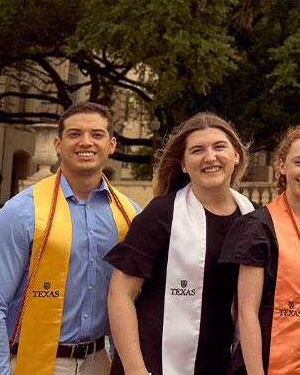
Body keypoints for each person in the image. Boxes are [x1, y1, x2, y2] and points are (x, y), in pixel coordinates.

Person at [0, 101, 141, 375]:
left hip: (99, 362)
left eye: (97, 134)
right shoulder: (21, 212)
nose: (86, 142)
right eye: (75, 134)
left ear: (111, 145)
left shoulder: (130, 215)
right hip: (34, 361)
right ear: (58, 144)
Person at [107, 112, 257, 375]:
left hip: (217, 362)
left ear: (236, 155)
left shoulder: (254, 220)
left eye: (219, 147)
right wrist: (135, 369)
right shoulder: (162, 214)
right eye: (197, 150)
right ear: (184, 165)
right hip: (153, 362)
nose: (210, 157)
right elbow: (120, 294)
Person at [221, 126, 300, 375]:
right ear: (282, 166)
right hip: (263, 361)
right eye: (299, 162)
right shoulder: (258, 227)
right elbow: (246, 312)